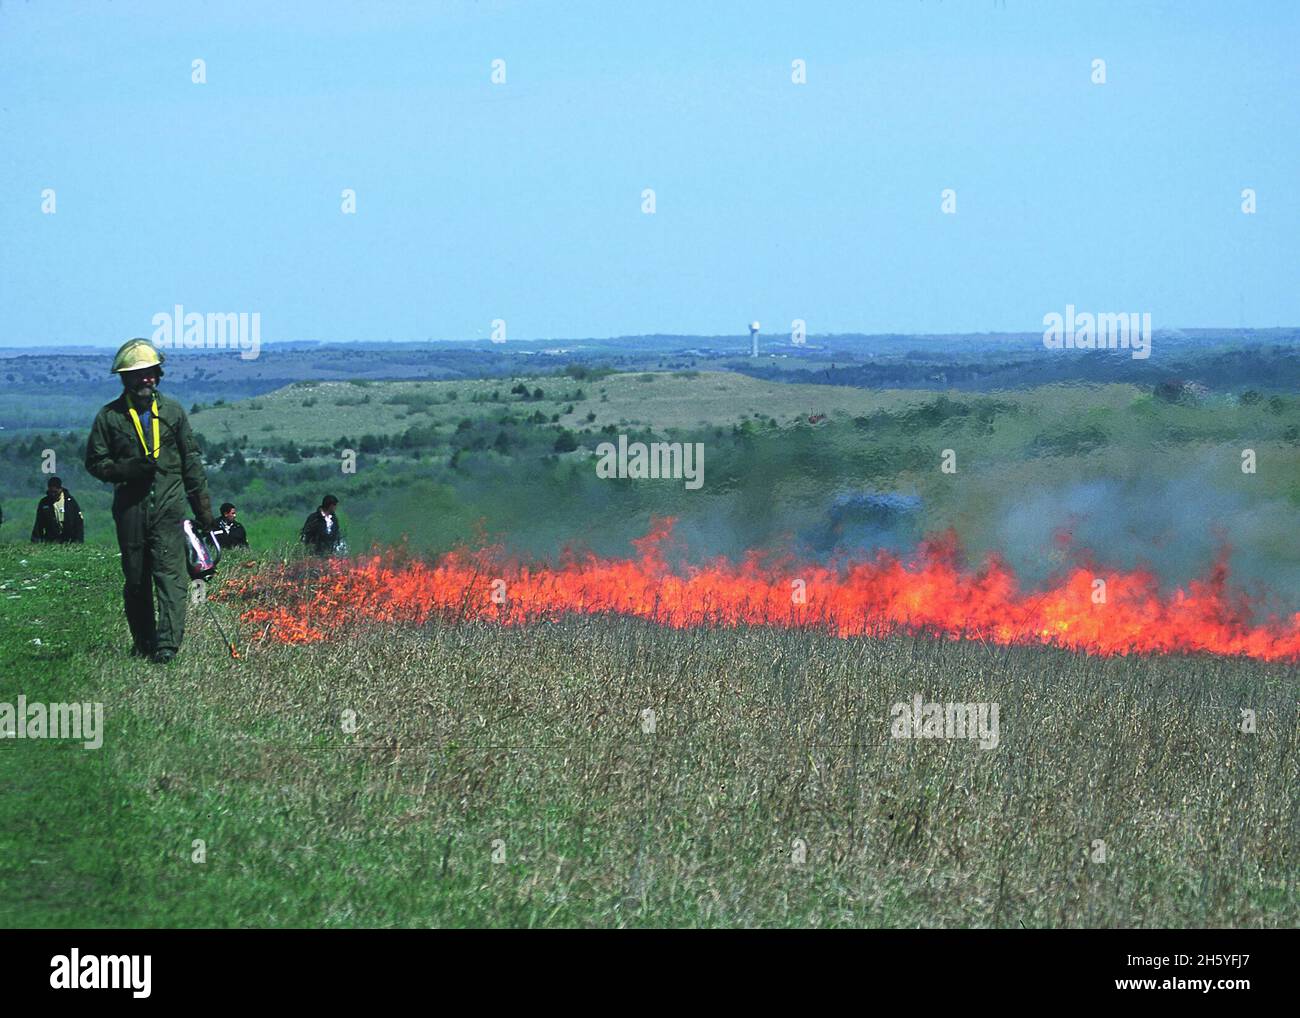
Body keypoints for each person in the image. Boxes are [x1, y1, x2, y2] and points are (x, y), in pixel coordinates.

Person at [85, 338, 216, 664]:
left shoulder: (172, 411)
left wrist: (204, 511)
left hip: (169, 509)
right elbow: (94, 462)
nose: (147, 379)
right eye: (139, 374)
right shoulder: (109, 417)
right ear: (125, 379)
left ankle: (167, 647)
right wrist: (126, 469)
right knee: (136, 578)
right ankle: (144, 643)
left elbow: (192, 462)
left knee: (170, 576)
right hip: (130, 510)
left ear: (159, 375)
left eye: (152, 373)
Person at [31, 476, 85, 543]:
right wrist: (36, 540)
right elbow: (39, 523)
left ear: (60, 489)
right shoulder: (44, 503)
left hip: (69, 539)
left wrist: (78, 540)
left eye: (55, 492)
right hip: (51, 540)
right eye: (51, 492)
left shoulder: (70, 501)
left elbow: (78, 523)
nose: (53, 494)